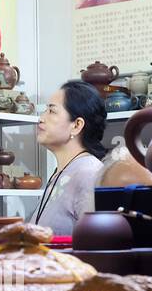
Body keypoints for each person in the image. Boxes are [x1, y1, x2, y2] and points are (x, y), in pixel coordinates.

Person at [32, 80, 108, 237]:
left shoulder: (89, 173)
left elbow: (96, 245)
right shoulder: (63, 171)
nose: (41, 118)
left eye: (51, 111)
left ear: (76, 125)